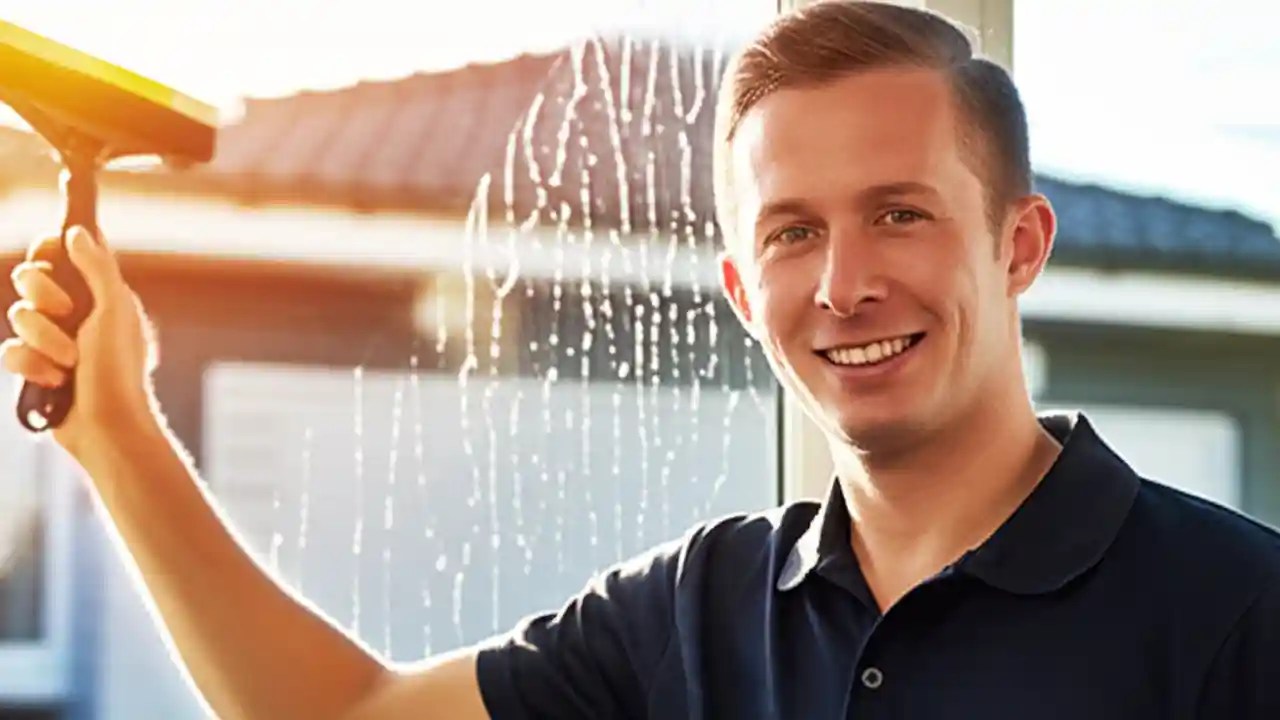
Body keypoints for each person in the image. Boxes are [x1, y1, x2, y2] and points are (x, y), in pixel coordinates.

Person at [4, 1, 1279, 718]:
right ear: (738, 288)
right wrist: (115, 432)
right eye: (790, 232)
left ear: (1017, 244)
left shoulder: (1237, 615)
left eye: (899, 212)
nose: (842, 284)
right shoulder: (691, 614)